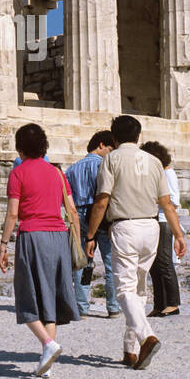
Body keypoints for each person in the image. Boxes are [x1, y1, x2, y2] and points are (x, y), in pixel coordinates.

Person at [84, 115, 187, 370]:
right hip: (151, 228)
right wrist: (178, 234)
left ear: (114, 137)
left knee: (124, 290)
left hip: (126, 227)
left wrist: (91, 235)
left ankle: (146, 337)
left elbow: (102, 200)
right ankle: (129, 351)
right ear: (138, 136)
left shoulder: (111, 159)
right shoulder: (154, 162)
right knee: (138, 290)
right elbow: (167, 203)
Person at [0, 122, 82, 378]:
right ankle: (47, 362)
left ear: (20, 147)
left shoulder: (18, 173)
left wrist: (3, 244)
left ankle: (48, 344)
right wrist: (77, 239)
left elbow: (13, 212)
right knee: (51, 297)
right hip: (58, 238)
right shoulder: (57, 172)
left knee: (26, 295)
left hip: (33, 236)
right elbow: (73, 210)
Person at [64, 130, 119, 318]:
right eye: (111, 148)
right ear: (102, 145)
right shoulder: (103, 166)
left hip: (78, 214)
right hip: (99, 215)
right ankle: (113, 307)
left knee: (83, 262)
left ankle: (82, 307)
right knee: (110, 263)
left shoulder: (72, 169)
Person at [141, 140, 182, 316]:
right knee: (154, 264)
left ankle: (173, 303)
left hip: (164, 220)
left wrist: (151, 197)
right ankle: (159, 304)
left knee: (164, 262)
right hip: (154, 219)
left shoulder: (168, 173)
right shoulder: (158, 173)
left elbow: (173, 200)